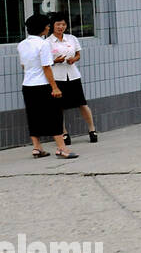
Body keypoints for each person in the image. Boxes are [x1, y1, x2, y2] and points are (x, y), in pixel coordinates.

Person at [17, 13, 76, 159]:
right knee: (54, 115)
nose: (49, 28)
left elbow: (24, 65)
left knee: (33, 115)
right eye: (48, 26)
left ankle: (37, 148)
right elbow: (46, 67)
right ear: (42, 28)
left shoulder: (22, 44)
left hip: (27, 84)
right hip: (43, 85)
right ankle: (62, 148)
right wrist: (55, 87)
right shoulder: (43, 44)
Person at [48, 12, 98, 143]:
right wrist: (55, 61)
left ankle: (92, 130)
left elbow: (78, 55)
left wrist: (73, 60)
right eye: (58, 24)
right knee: (59, 107)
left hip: (73, 75)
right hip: (57, 77)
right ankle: (64, 133)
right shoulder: (47, 42)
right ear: (52, 25)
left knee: (82, 103)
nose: (61, 27)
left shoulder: (71, 38)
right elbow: (45, 63)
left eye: (63, 24)